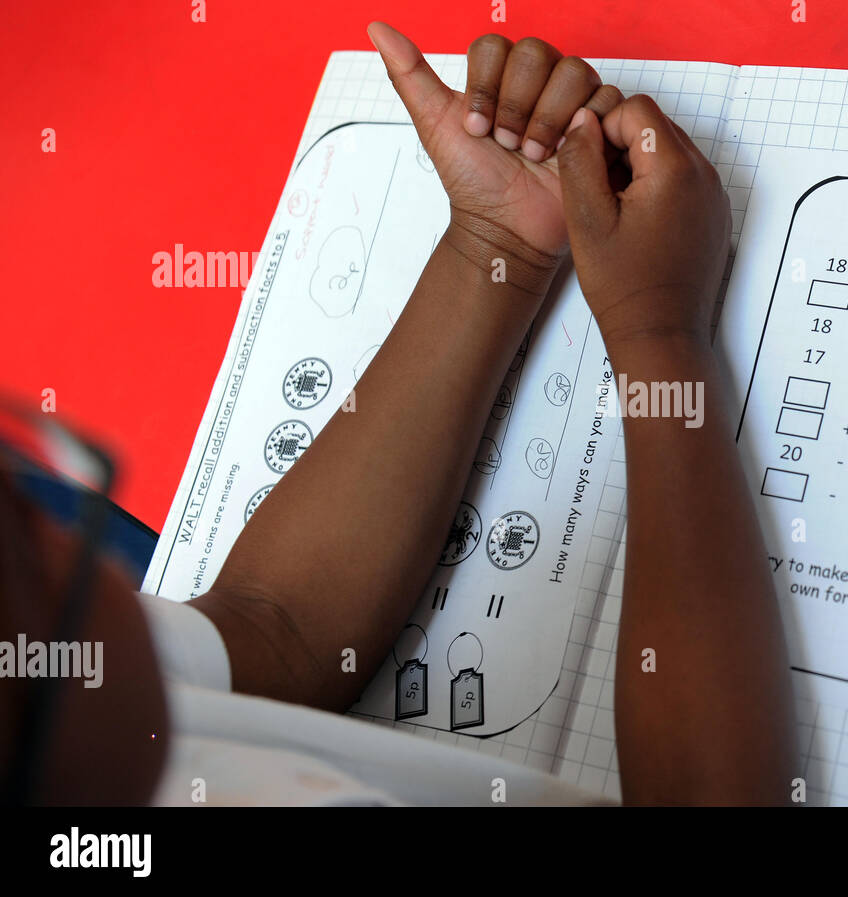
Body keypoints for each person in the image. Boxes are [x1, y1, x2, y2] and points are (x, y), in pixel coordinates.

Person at [0, 23, 798, 806]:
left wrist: (500, 242)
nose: (66, 537)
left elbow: (273, 632)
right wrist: (658, 332)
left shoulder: (90, 689)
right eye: (42, 564)